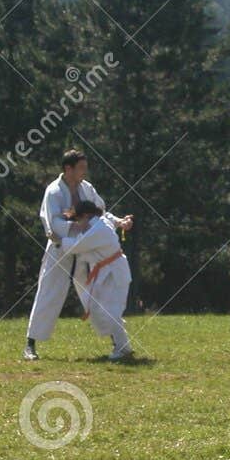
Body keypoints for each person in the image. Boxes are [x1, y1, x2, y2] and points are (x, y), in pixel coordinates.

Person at [24, 150, 127, 360]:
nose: (84, 172)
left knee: (96, 295)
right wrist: (78, 226)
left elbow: (100, 212)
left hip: (84, 249)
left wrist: (118, 222)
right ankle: (30, 345)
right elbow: (53, 224)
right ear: (67, 168)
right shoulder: (54, 192)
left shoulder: (86, 188)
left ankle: (119, 343)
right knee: (48, 294)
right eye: (80, 168)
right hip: (60, 247)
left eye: (84, 167)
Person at [61, 200, 134, 361]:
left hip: (115, 272)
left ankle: (123, 349)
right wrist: (122, 221)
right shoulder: (100, 222)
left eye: (79, 220)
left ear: (86, 216)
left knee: (112, 312)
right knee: (99, 308)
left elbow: (77, 246)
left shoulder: (98, 229)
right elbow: (107, 215)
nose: (78, 225)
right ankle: (122, 345)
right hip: (107, 272)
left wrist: (58, 240)